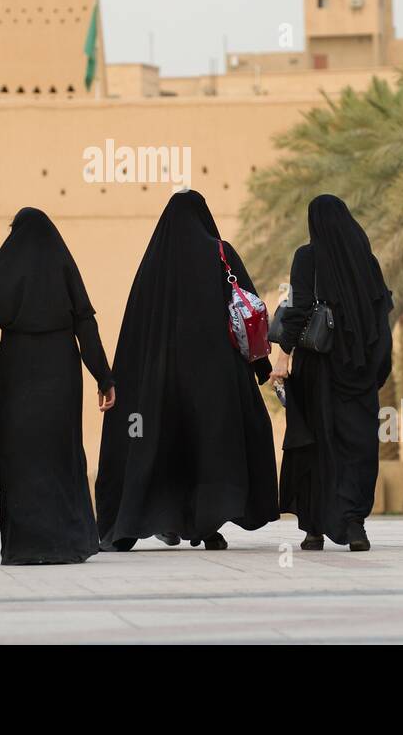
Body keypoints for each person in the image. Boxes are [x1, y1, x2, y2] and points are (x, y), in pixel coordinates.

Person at [96, 189, 278, 551]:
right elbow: (249, 309)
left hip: (160, 381)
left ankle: (133, 526)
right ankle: (206, 527)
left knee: (157, 444)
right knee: (207, 445)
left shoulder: (155, 261)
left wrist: (126, 379)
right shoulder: (220, 253)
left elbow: (136, 328)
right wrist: (261, 365)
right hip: (214, 376)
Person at [0, 207, 115, 564]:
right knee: (60, 450)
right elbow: (86, 325)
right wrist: (104, 377)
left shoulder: (5, 266)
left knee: (21, 454)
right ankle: (69, 543)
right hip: (60, 369)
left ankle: (24, 547)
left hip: (18, 367)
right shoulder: (63, 264)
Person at [271, 195, 394, 552]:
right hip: (358, 370)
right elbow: (380, 316)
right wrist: (377, 369)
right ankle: (354, 524)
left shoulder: (307, 258)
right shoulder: (367, 262)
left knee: (316, 442)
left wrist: (283, 358)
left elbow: (296, 309)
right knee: (357, 445)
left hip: (317, 369)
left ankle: (314, 528)